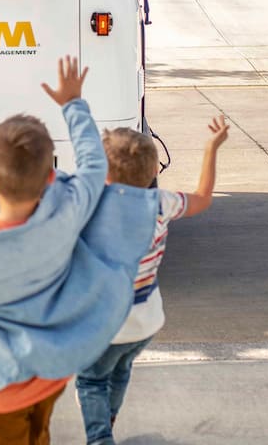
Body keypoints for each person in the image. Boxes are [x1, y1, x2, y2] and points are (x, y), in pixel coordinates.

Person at [0, 57, 159, 445]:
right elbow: (93, 166)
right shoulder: (67, 210)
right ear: (51, 174)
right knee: (39, 433)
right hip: (50, 375)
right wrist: (73, 104)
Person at [74, 117, 230, 445]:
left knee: (90, 382)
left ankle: (100, 436)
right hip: (145, 325)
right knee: (120, 369)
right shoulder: (161, 204)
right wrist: (210, 148)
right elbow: (203, 197)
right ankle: (110, 416)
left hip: (104, 328)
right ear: (153, 173)